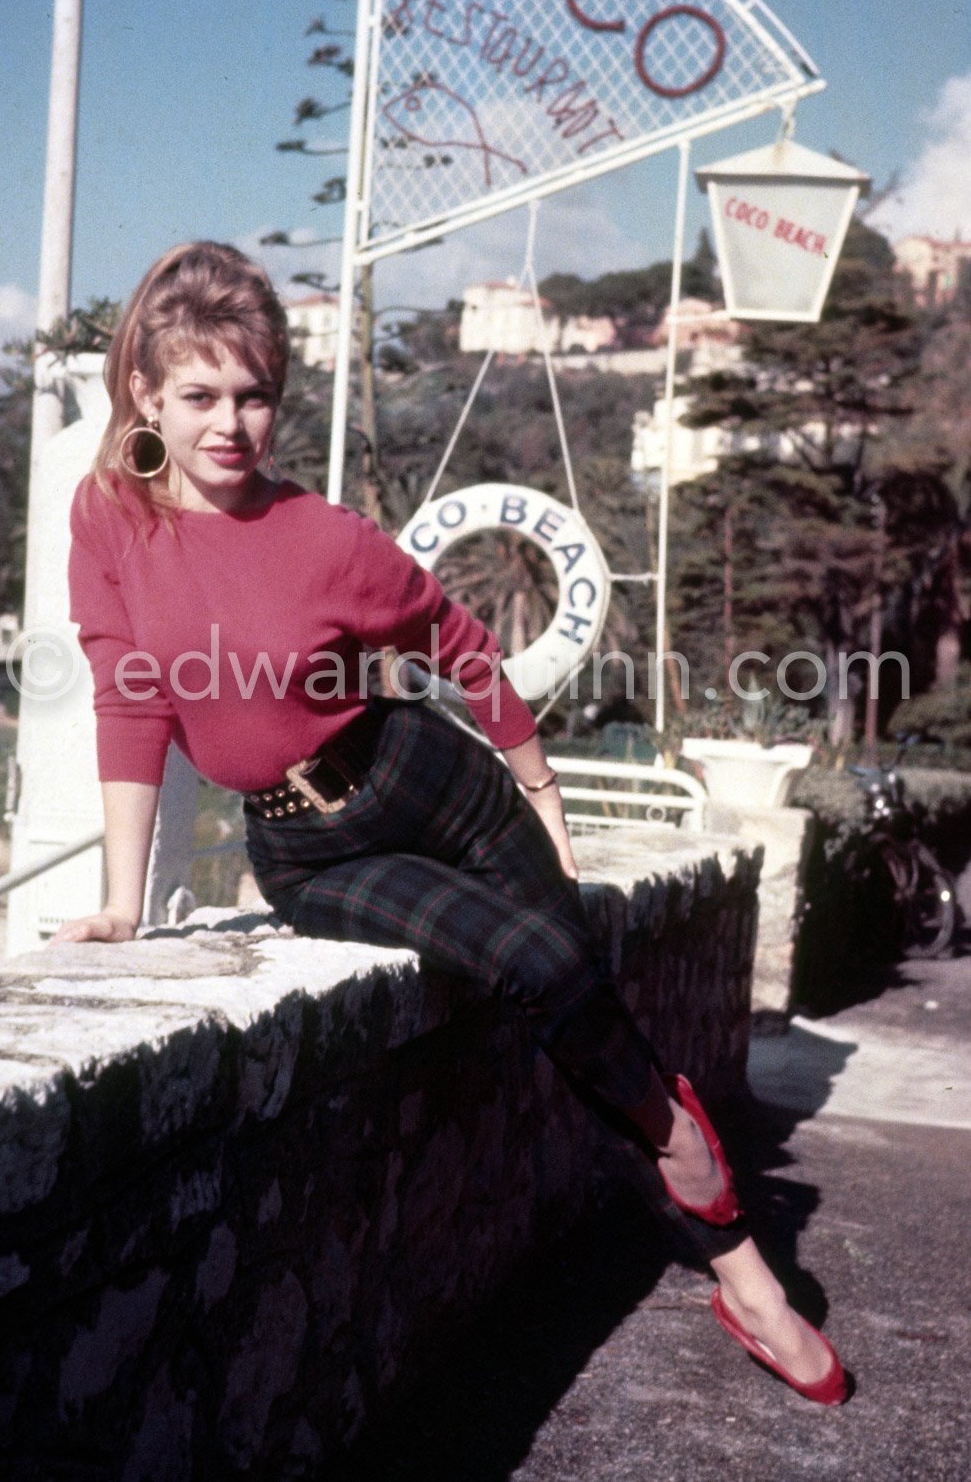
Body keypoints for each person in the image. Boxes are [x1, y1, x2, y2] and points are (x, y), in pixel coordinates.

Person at [54, 241, 848, 1406]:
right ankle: (687, 1153)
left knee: (574, 988)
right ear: (144, 394)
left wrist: (540, 793)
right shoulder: (109, 519)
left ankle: (745, 1279)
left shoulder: (324, 536)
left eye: (255, 395)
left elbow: (463, 652)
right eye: (200, 396)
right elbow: (128, 698)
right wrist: (124, 903)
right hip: (310, 848)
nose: (231, 425)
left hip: (423, 774)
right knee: (544, 965)